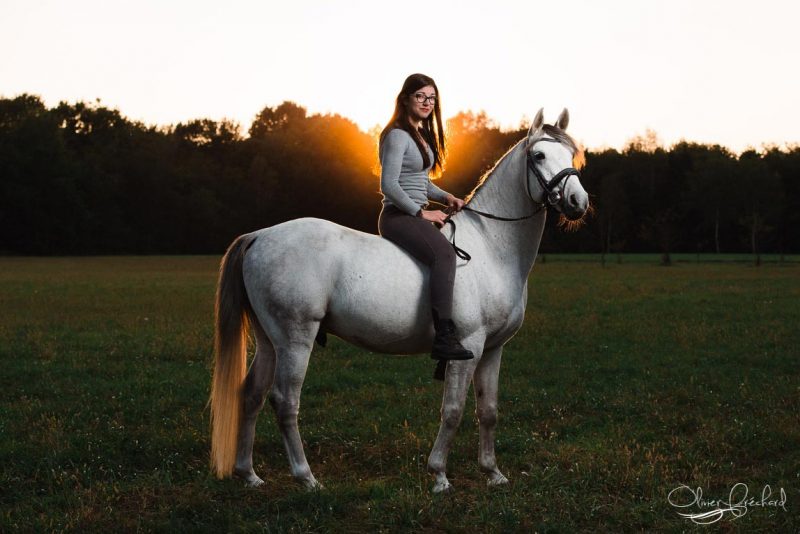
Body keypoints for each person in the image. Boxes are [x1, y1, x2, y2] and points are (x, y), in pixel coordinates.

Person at [377, 73, 473, 361]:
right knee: (444, 255)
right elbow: (389, 185)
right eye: (420, 96)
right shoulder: (397, 135)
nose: (427, 102)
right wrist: (422, 212)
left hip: (414, 214)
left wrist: (446, 198)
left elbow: (421, 182)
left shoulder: (418, 135)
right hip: (398, 216)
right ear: (405, 98)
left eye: (431, 98)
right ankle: (443, 337)